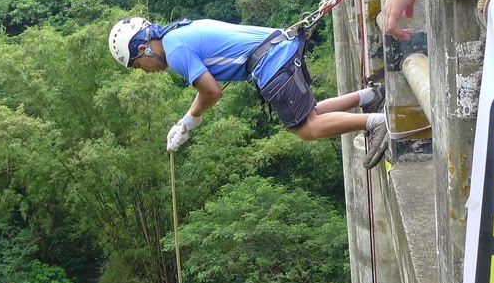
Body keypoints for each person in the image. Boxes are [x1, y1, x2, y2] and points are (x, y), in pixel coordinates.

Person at [108, 17, 389, 169]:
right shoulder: (177, 35)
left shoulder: (175, 50)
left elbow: (211, 92)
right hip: (279, 48)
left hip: (270, 62)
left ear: (143, 49)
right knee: (310, 114)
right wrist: (185, 122)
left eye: (138, 66)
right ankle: (370, 97)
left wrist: (189, 122)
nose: (146, 72)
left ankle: (377, 123)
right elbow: (207, 88)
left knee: (305, 128)